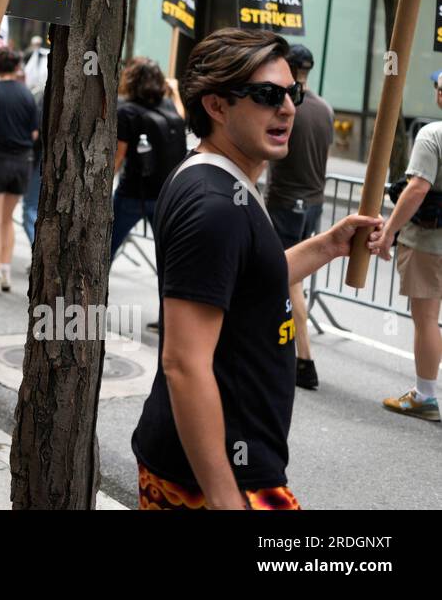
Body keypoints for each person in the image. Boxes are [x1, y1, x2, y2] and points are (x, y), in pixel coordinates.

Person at [131, 28, 380, 510]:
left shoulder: (216, 177)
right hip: (217, 479)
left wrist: (330, 244)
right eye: (267, 95)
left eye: (294, 93)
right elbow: (184, 364)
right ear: (216, 106)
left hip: (210, 466)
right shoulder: (216, 206)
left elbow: (247, 280)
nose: (288, 108)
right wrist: (227, 498)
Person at [366, 70, 442, 423]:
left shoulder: (433, 134)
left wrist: (389, 231)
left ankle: (425, 395)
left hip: (430, 243)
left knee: (426, 318)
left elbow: (417, 188)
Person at [263, 44, 332, 392]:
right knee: (292, 280)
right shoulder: (325, 109)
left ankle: (303, 360)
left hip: (287, 202)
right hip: (312, 204)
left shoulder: (288, 107)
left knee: (291, 281)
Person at [110, 57, 186, 262]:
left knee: (105, 250)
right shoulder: (170, 107)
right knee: (166, 259)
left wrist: (104, 186)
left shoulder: (127, 111)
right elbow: (181, 116)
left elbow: (119, 155)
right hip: (165, 195)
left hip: (133, 193)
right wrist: (175, 91)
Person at [0, 48, 39, 294]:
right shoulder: (27, 94)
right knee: (7, 221)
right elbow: (34, 133)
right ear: (16, 67)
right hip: (22, 162)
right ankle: (5, 273)